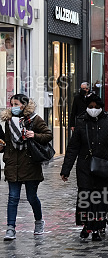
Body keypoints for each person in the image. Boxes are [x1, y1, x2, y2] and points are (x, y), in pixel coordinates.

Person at [61, 94, 108, 241]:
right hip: (85, 167)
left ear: (101, 108)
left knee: (100, 199)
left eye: (96, 107)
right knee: (85, 197)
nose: (93, 109)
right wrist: (65, 170)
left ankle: (97, 228)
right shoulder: (81, 123)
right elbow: (73, 148)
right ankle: (86, 226)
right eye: (90, 107)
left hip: (104, 168)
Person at [1, 94, 52, 241]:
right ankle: (11, 229)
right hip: (13, 164)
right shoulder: (9, 121)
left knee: (32, 197)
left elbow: (48, 135)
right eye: (12, 104)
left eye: (16, 104)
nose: (13, 107)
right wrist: (3, 148)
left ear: (24, 105)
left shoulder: (35, 119)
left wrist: (34, 135)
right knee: (13, 198)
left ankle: (39, 221)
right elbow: (8, 142)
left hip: (30, 164)